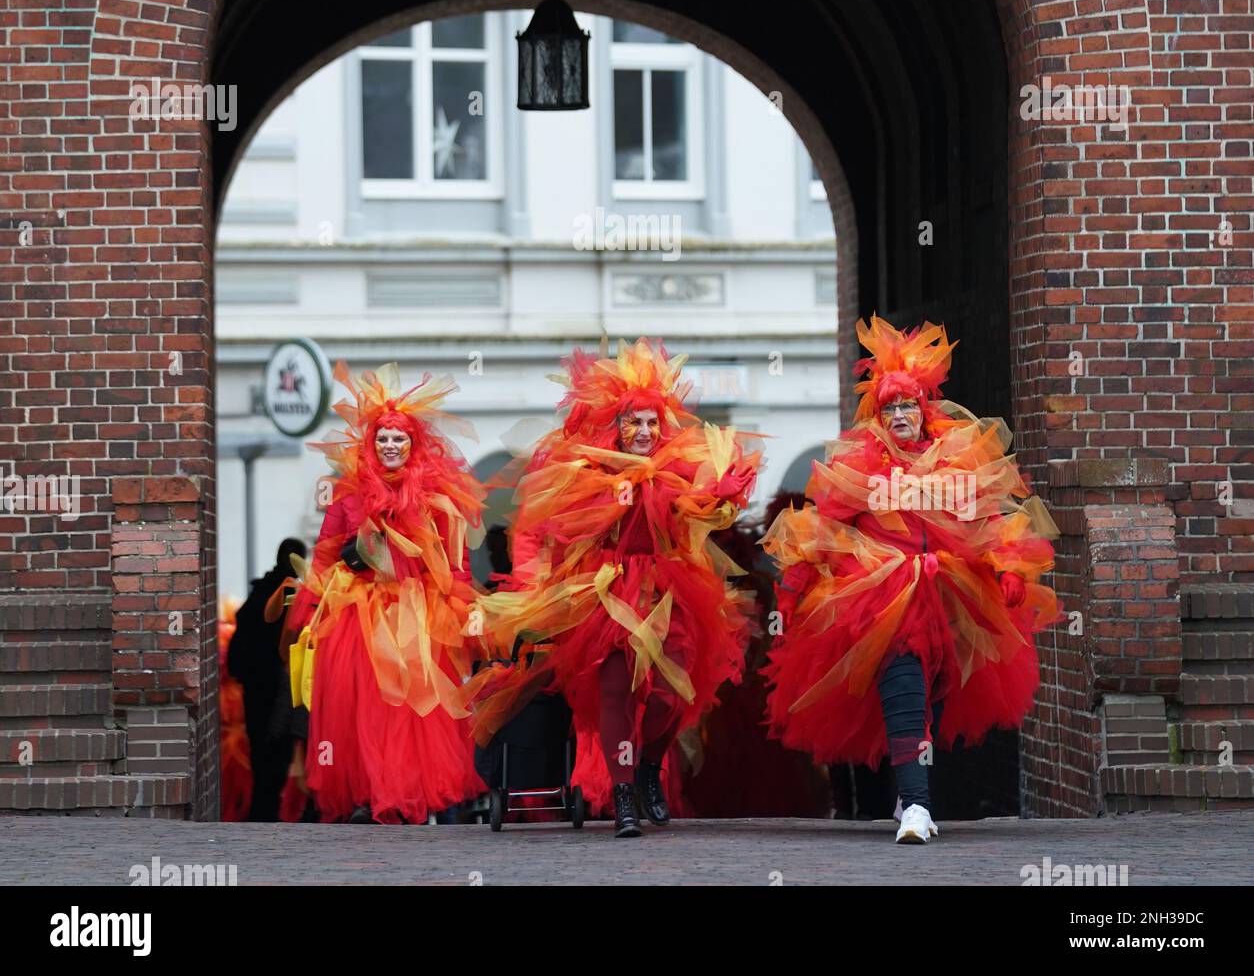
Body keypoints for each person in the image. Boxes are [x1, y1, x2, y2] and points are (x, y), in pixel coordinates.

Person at [762, 315, 1060, 844]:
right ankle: (918, 806)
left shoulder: (955, 465)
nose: (899, 415)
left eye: (907, 406)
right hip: (879, 599)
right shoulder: (860, 471)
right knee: (902, 689)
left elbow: (991, 520)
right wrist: (795, 588)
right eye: (889, 408)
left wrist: (1008, 567)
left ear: (925, 412)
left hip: (949, 597)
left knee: (931, 699)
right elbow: (823, 531)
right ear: (877, 417)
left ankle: (910, 788)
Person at [467, 338, 761, 837]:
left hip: (669, 591)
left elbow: (710, 506)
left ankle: (647, 765)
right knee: (615, 693)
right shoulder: (591, 471)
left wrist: (726, 492)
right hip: (608, 590)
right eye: (633, 422)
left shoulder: (677, 468)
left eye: (651, 422)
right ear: (617, 426)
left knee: (670, 696)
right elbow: (557, 528)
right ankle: (624, 792)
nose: (644, 431)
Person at [283, 362, 487, 824]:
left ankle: (403, 796)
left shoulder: (437, 497)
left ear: (414, 446)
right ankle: (374, 794)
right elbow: (325, 553)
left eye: (400, 439)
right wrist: (314, 606)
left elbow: (456, 561)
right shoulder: (347, 496)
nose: (391, 446)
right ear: (371, 446)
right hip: (362, 614)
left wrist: (464, 605)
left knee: (415, 715)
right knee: (367, 710)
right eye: (383, 439)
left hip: (420, 613)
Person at [227, 536, 307, 821]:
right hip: (281, 684)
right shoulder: (293, 592)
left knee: (262, 749)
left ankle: (263, 810)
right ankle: (269, 809)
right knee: (280, 749)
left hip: (256, 684)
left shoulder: (261, 590)